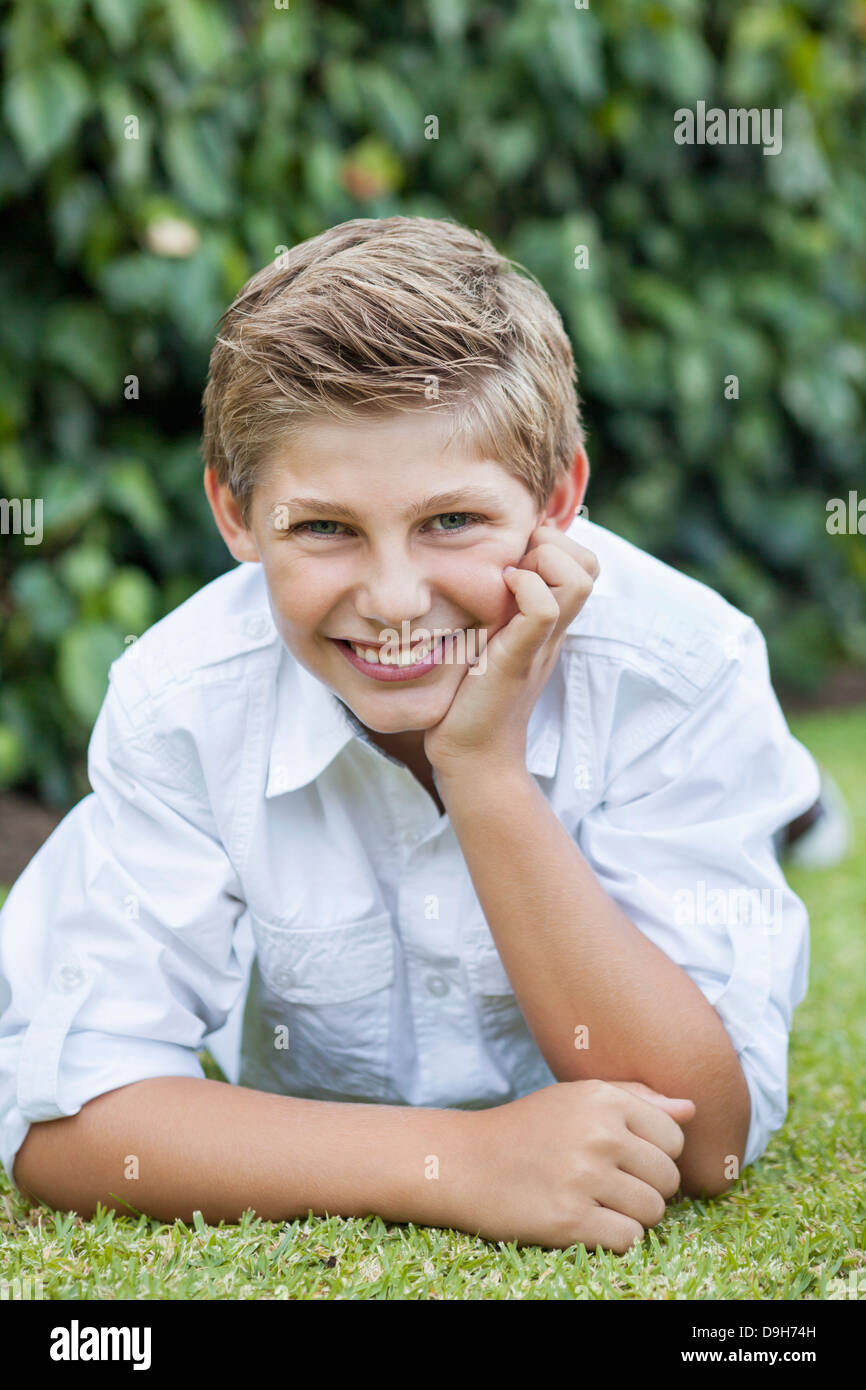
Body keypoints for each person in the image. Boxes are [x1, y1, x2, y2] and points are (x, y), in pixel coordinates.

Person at [0, 217, 832, 1253]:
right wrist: (460, 1165)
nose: (394, 601)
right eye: (323, 527)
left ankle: (801, 817)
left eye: (450, 523)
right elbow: (66, 1118)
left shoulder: (680, 664)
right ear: (236, 515)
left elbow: (702, 1135)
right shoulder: (180, 699)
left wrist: (484, 772)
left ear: (558, 498)